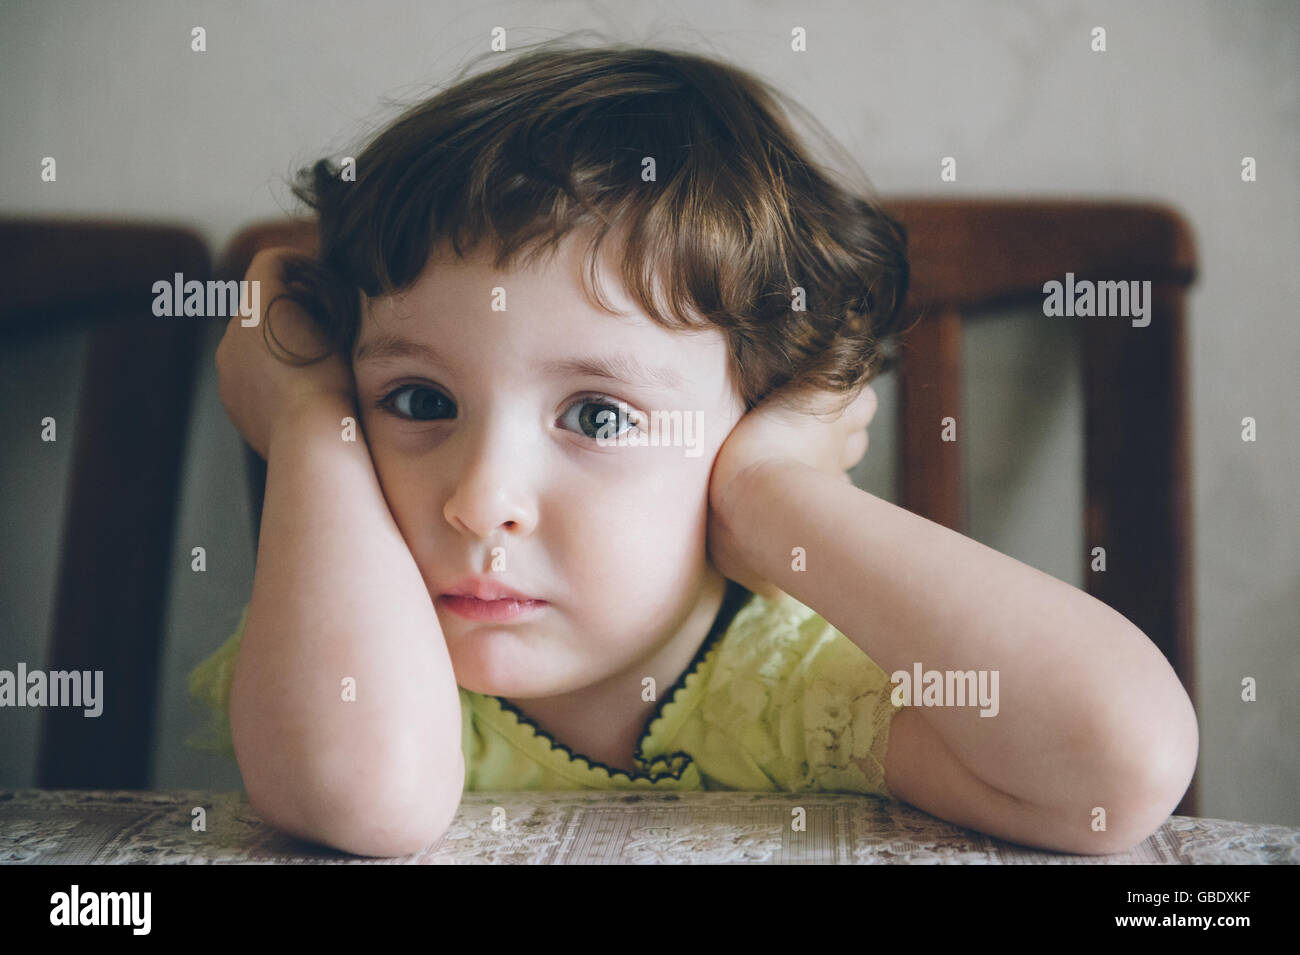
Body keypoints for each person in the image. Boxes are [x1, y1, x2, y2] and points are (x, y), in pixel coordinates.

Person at [190, 39, 1197, 859]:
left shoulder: (788, 689)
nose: (479, 500)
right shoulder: (356, 637)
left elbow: (1118, 769)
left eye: (596, 415)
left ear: (759, 411)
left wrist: (768, 491)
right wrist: (307, 418)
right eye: (416, 398)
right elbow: (362, 801)